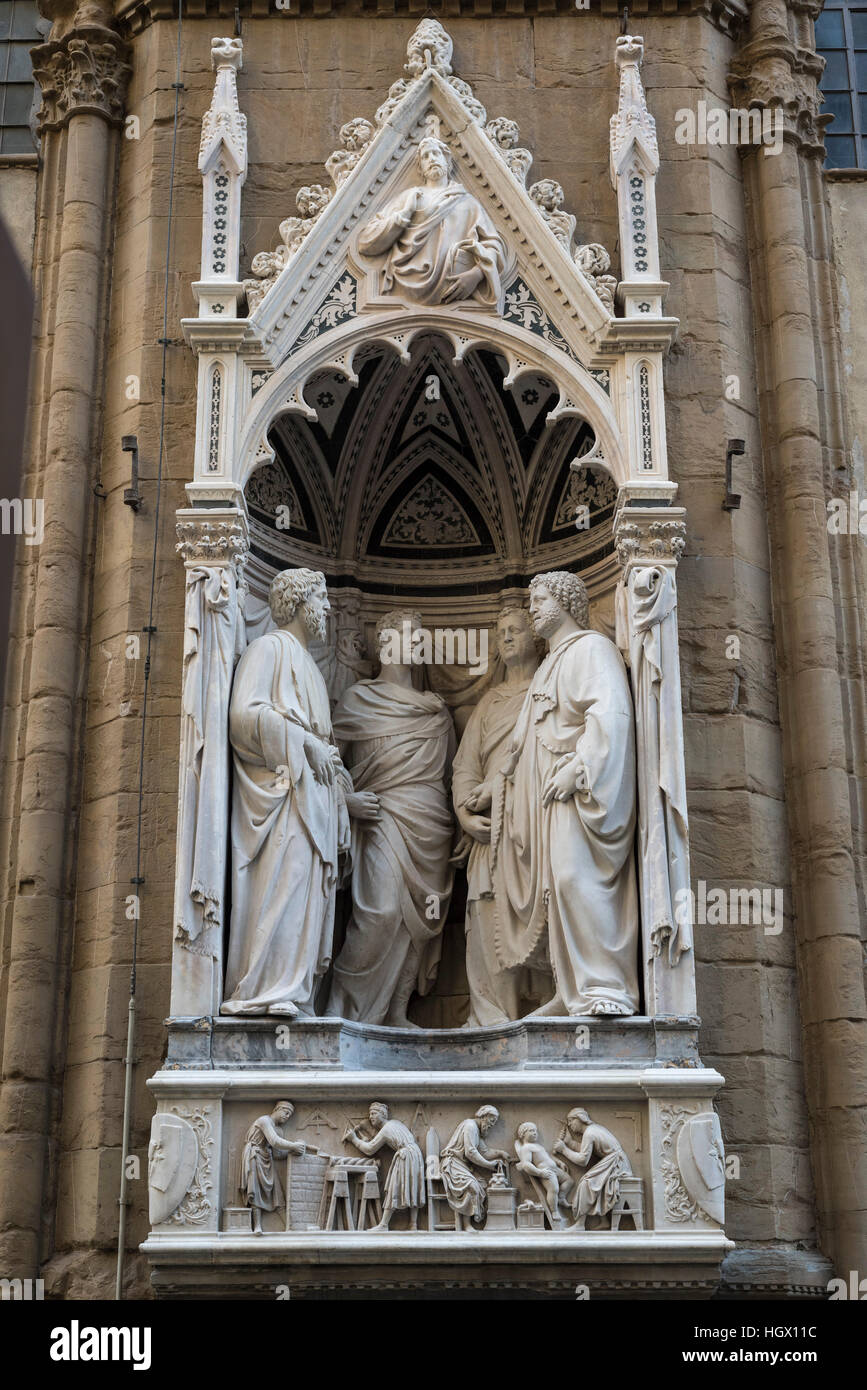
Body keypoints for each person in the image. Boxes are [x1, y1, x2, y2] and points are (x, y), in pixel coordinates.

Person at [223, 568, 369, 1018]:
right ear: (298, 602)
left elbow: (327, 750)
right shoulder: (268, 649)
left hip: (316, 802)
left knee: (308, 895)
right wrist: (302, 741)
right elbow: (243, 718)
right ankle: (265, 990)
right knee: (284, 886)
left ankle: (296, 993)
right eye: (320, 599)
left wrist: (343, 796)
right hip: (284, 799)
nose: (327, 608)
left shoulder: (310, 668)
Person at [494, 572, 640, 1017]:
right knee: (557, 885)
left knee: (576, 878)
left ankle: (606, 986)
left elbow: (611, 715)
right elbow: (524, 741)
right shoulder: (548, 666)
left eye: (540, 600)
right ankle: (571, 988)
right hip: (550, 799)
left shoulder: (592, 649)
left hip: (579, 792)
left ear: (566, 601)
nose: (533, 608)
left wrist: (578, 770)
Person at [328, 610, 456, 1026]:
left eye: (420, 637)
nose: (418, 643)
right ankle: (342, 1010)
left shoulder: (436, 711)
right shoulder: (358, 700)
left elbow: (451, 776)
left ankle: (397, 1010)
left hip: (432, 822)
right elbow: (328, 766)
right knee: (380, 913)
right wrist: (346, 802)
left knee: (423, 919)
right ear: (384, 643)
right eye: (408, 636)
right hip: (381, 815)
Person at [451, 605, 541, 1025]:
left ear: (536, 636)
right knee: (487, 917)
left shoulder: (547, 688)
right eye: (501, 632)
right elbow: (465, 766)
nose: (506, 637)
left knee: (539, 911)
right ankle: (491, 1020)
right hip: (489, 831)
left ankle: (542, 1015)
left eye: (515, 630)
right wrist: (465, 815)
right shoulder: (490, 702)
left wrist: (502, 788)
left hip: (534, 820)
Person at [357, 134, 507, 306]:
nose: (432, 159)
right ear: (420, 168)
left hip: (454, 281)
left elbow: (493, 245)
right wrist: (405, 213)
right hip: (406, 279)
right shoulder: (409, 197)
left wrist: (476, 274)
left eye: (436, 153)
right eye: (425, 156)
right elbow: (366, 242)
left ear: (447, 161)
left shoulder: (467, 203)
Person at [345, 1102, 425, 1232]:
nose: (370, 1117)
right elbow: (378, 1140)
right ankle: (413, 1224)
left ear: (383, 1114)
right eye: (370, 1114)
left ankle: (384, 1224)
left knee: (394, 1186)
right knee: (413, 1186)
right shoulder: (395, 1123)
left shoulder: (386, 1129)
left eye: (374, 1113)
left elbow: (370, 1149)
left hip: (405, 1155)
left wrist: (354, 1139)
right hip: (415, 1154)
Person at [553, 1108, 632, 1231]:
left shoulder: (589, 1133)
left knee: (586, 1183)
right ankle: (604, 1221)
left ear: (580, 1119)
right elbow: (586, 1149)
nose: (569, 1124)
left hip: (616, 1165)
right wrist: (570, 1142)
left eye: (571, 1120)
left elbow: (583, 1160)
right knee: (595, 1182)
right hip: (614, 1161)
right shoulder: (594, 1129)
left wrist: (563, 1150)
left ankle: (580, 1224)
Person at [439, 1104, 510, 1228]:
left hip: (462, 1166)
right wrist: (489, 1165)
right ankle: (466, 1225)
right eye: (492, 1120)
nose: (492, 1124)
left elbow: (484, 1152)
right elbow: (470, 1152)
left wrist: (500, 1153)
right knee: (473, 1187)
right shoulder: (470, 1126)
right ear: (484, 1116)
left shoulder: (477, 1130)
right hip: (452, 1164)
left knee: (482, 1184)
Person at [240, 1101, 306, 1234]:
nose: (287, 1116)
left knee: (278, 1192)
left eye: (290, 1115)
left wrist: (293, 1151)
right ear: (277, 1109)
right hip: (255, 1156)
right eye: (286, 1112)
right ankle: (257, 1226)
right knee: (256, 1190)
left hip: (268, 1158)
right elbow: (274, 1141)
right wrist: (293, 1145)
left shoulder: (279, 1130)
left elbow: (277, 1154)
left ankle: (289, 1226)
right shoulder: (264, 1121)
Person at [513, 1121, 570, 1226]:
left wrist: (559, 1162)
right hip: (546, 1171)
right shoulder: (526, 1148)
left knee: (569, 1181)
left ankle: (561, 1197)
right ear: (523, 1134)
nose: (535, 1133)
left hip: (555, 1169)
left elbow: (549, 1156)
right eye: (531, 1131)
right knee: (553, 1189)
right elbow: (526, 1164)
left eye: (535, 1131)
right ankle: (554, 1211)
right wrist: (540, 1173)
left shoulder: (538, 1146)